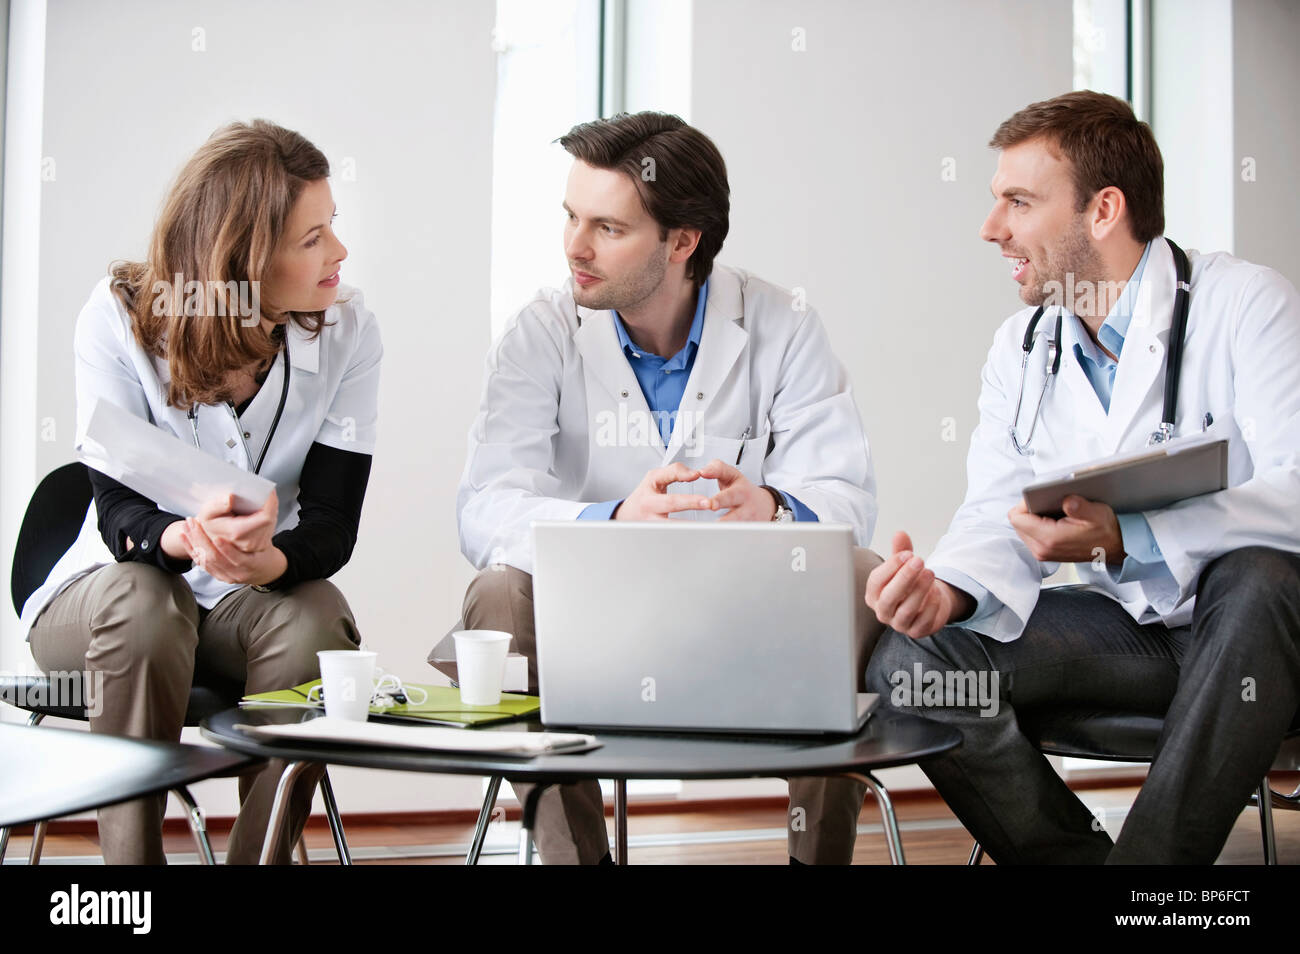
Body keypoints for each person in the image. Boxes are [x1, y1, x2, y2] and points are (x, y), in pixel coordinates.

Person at [862, 91, 1300, 864]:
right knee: (911, 664)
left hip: (1251, 638)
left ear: (1103, 209)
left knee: (1260, 575)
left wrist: (1132, 535)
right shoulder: (1022, 345)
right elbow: (997, 504)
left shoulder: (1245, 305)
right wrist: (949, 593)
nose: (991, 228)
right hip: (1133, 639)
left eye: (1018, 202)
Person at [440, 111, 881, 865]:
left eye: (608, 228)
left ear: (683, 241)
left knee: (858, 577)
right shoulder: (540, 332)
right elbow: (483, 507)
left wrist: (770, 507)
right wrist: (615, 518)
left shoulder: (783, 325)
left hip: (746, 624)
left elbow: (847, 495)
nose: (575, 247)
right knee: (496, 593)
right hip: (596, 632)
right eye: (572, 218)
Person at [20, 120, 383, 864]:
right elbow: (120, 512)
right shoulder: (118, 321)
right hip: (104, 603)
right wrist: (188, 539)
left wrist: (270, 566)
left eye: (333, 227)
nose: (339, 254)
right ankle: (130, 886)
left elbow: (333, 526)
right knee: (146, 600)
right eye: (312, 238)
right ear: (244, 259)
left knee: (316, 613)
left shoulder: (349, 331)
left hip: (238, 606)